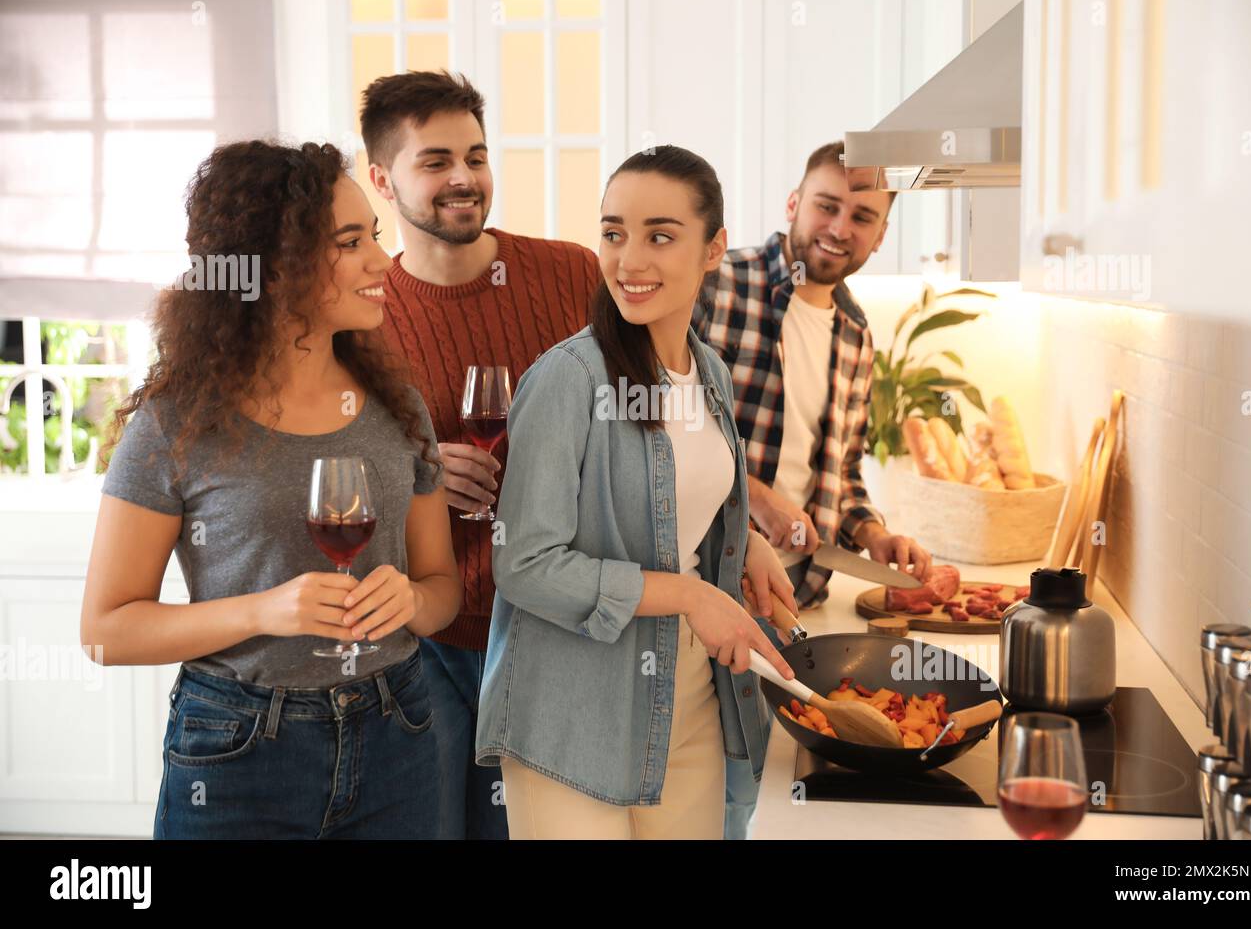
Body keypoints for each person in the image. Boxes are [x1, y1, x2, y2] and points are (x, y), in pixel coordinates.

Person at [80, 140, 462, 839]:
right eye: (352, 242)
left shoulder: (397, 406)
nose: (382, 260)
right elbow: (106, 632)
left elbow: (442, 589)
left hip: (397, 732)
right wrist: (265, 611)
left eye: (373, 235)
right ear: (274, 266)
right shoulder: (177, 424)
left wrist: (411, 599)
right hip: (237, 748)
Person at [475, 145, 798, 838]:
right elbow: (525, 565)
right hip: (573, 709)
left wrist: (743, 547)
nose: (628, 260)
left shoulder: (706, 370)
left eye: (660, 235)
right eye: (614, 232)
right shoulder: (569, 378)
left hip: (686, 691)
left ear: (713, 250)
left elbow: (679, 502)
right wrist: (689, 593)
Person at [360, 70, 595, 839]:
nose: (464, 178)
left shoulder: (571, 274)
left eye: (476, 155)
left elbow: (646, 418)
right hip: (421, 639)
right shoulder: (358, 319)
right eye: (434, 162)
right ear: (380, 180)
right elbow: (327, 481)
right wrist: (415, 480)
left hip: (548, 632)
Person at [694, 139, 932, 839]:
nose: (839, 227)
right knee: (729, 795)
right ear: (795, 204)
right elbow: (663, 420)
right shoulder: (720, 283)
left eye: (862, 215)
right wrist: (757, 498)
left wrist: (872, 534)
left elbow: (842, 476)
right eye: (827, 205)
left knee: (765, 797)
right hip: (714, 590)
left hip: (801, 603)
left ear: (881, 233)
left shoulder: (856, 332)